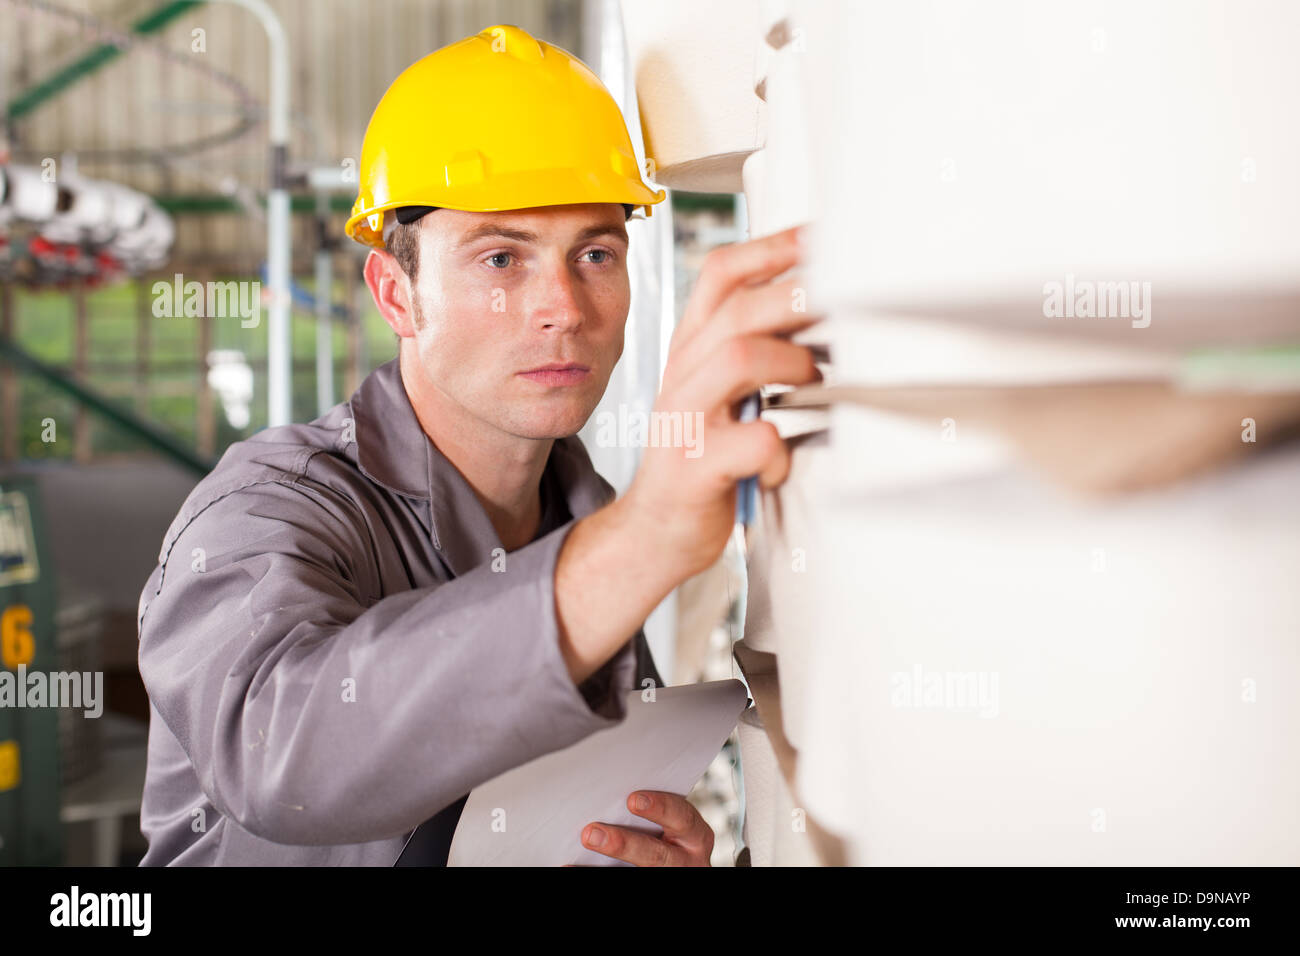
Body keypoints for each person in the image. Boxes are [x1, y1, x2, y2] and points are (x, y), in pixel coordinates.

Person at [136, 23, 819, 866]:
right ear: (396, 294)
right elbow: (278, 752)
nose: (563, 307)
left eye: (595, 253)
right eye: (502, 258)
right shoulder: (270, 510)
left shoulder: (580, 520)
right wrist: (644, 540)